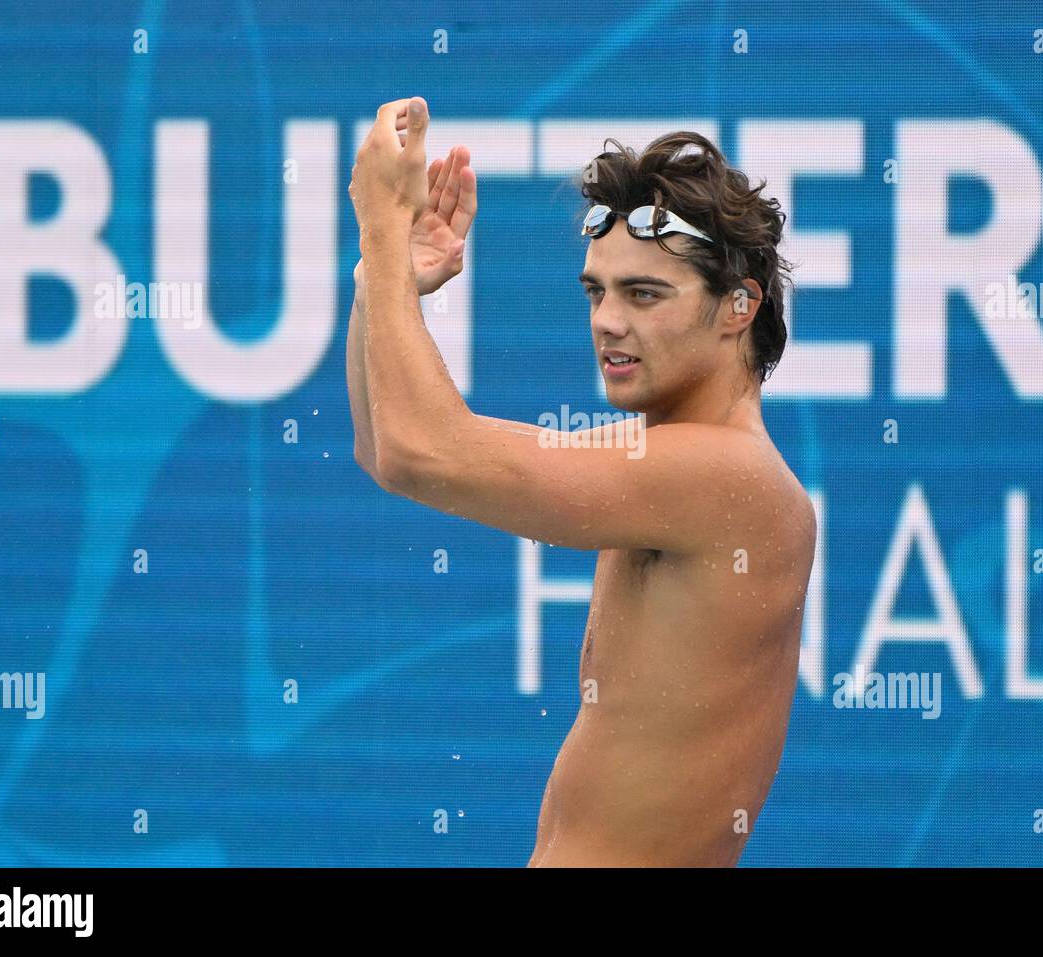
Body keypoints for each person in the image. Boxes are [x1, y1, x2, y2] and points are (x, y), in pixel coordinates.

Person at [347, 97, 816, 866]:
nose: (606, 319)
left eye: (644, 294)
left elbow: (421, 447)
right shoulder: (667, 457)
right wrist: (380, 281)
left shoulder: (732, 479)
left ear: (739, 308)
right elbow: (385, 451)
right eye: (597, 291)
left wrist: (379, 227)